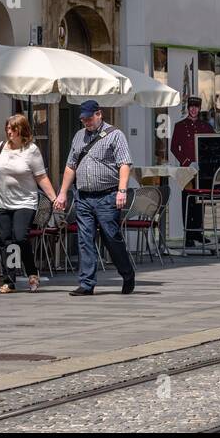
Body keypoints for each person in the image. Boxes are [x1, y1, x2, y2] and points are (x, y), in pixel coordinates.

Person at [55, 100, 137, 295]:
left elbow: (124, 163)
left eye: (89, 118)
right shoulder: (78, 137)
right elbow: (70, 166)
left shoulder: (115, 135)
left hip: (107, 196)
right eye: (83, 119)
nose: (86, 122)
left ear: (99, 114)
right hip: (83, 197)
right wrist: (62, 193)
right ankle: (87, 283)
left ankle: (127, 273)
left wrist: (122, 190)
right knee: (85, 239)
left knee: (111, 237)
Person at [0, 114, 58, 293]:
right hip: (1, 202)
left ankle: (32, 272)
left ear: (22, 130)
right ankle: (9, 281)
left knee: (20, 237)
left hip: (25, 202)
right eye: (7, 128)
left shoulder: (32, 151)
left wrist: (54, 198)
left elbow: (41, 177)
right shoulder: (1, 147)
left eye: (13, 129)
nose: (9, 132)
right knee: (6, 241)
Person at [170, 95, 215, 245]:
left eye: (196, 107)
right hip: (187, 170)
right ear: (188, 108)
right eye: (191, 107)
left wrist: (205, 162)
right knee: (188, 200)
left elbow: (213, 145)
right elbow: (174, 147)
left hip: (202, 170)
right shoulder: (180, 125)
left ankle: (198, 231)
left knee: (201, 200)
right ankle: (188, 235)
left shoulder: (206, 127)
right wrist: (187, 162)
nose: (193, 109)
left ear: (199, 108)